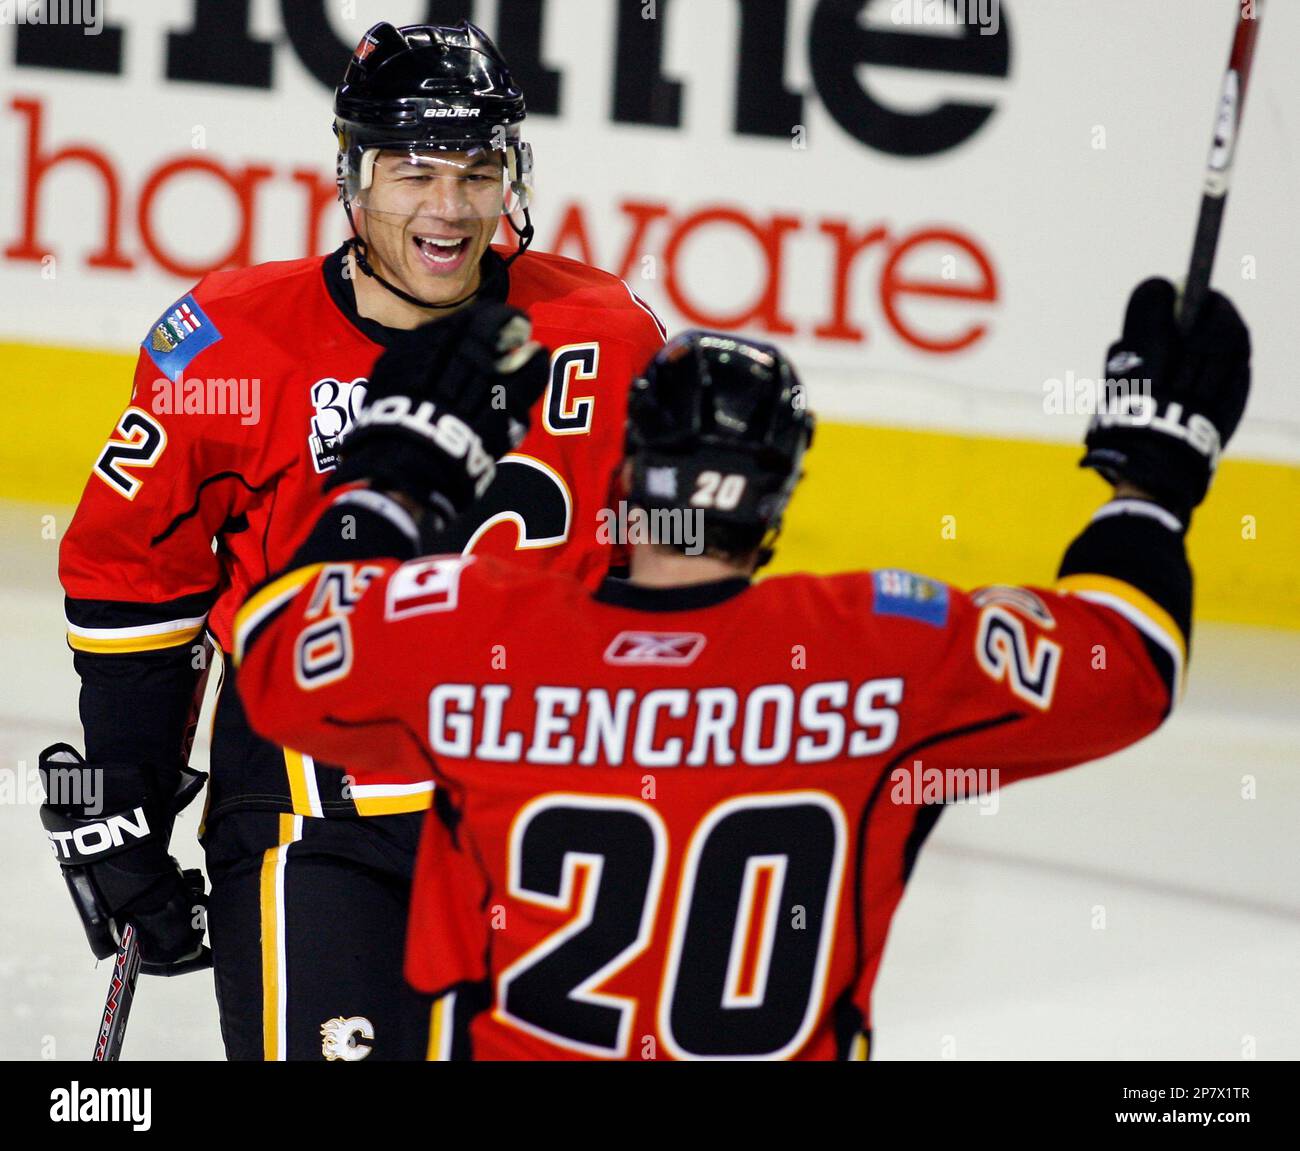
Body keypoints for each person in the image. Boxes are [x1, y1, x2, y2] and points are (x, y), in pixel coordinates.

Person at [232, 278, 1251, 1059]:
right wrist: (1151, 479)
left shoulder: (480, 636)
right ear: (780, 491)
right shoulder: (884, 649)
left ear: (624, 470)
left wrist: (397, 477)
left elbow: (279, 651)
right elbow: (1130, 660)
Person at [42, 20, 664, 1061]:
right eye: (412, 171)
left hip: (542, 812)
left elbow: (648, 583)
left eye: (477, 170)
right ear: (353, 175)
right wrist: (122, 810)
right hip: (311, 810)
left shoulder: (606, 331)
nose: (449, 206)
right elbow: (135, 582)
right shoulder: (232, 340)